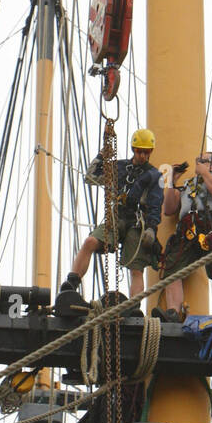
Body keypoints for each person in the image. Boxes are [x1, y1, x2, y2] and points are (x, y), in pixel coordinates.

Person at [56, 128, 164, 309]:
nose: (143, 156)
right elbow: (91, 177)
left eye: (146, 152)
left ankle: (134, 308)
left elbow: (155, 204)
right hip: (117, 217)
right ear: (133, 149)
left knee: (136, 269)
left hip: (137, 222)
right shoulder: (119, 167)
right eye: (139, 151)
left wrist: (152, 228)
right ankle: (71, 285)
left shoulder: (155, 176)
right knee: (90, 242)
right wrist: (101, 155)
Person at [156, 150, 212, 323]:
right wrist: (173, 182)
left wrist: (204, 172)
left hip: (210, 224)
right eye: (198, 160)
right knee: (172, 270)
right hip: (187, 228)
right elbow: (169, 209)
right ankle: (173, 312)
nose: (199, 162)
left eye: (204, 160)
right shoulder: (188, 184)